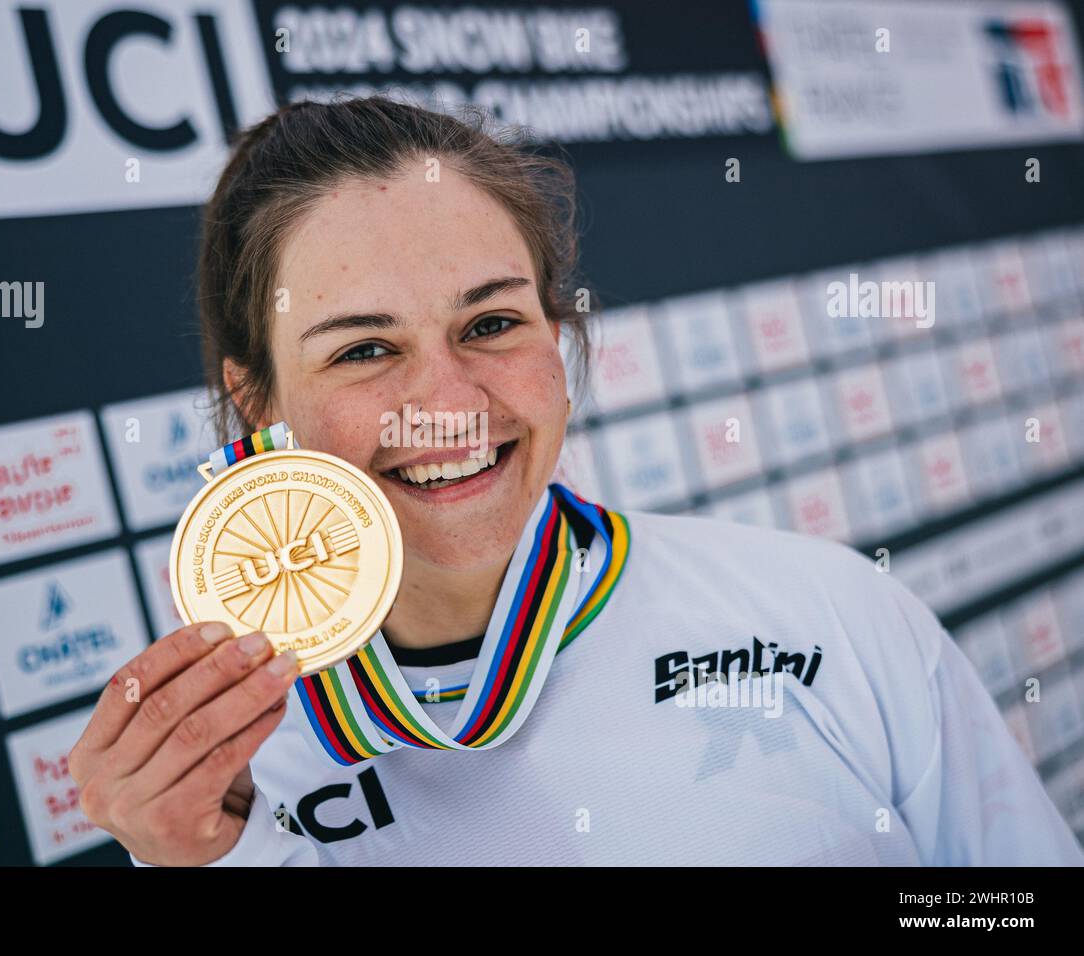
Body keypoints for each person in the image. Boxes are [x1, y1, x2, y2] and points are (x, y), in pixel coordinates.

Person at [68, 96, 1083, 866]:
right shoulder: (210, 777)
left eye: (491, 324)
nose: (447, 402)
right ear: (257, 401)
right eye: (366, 348)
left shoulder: (823, 612)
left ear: (558, 337)